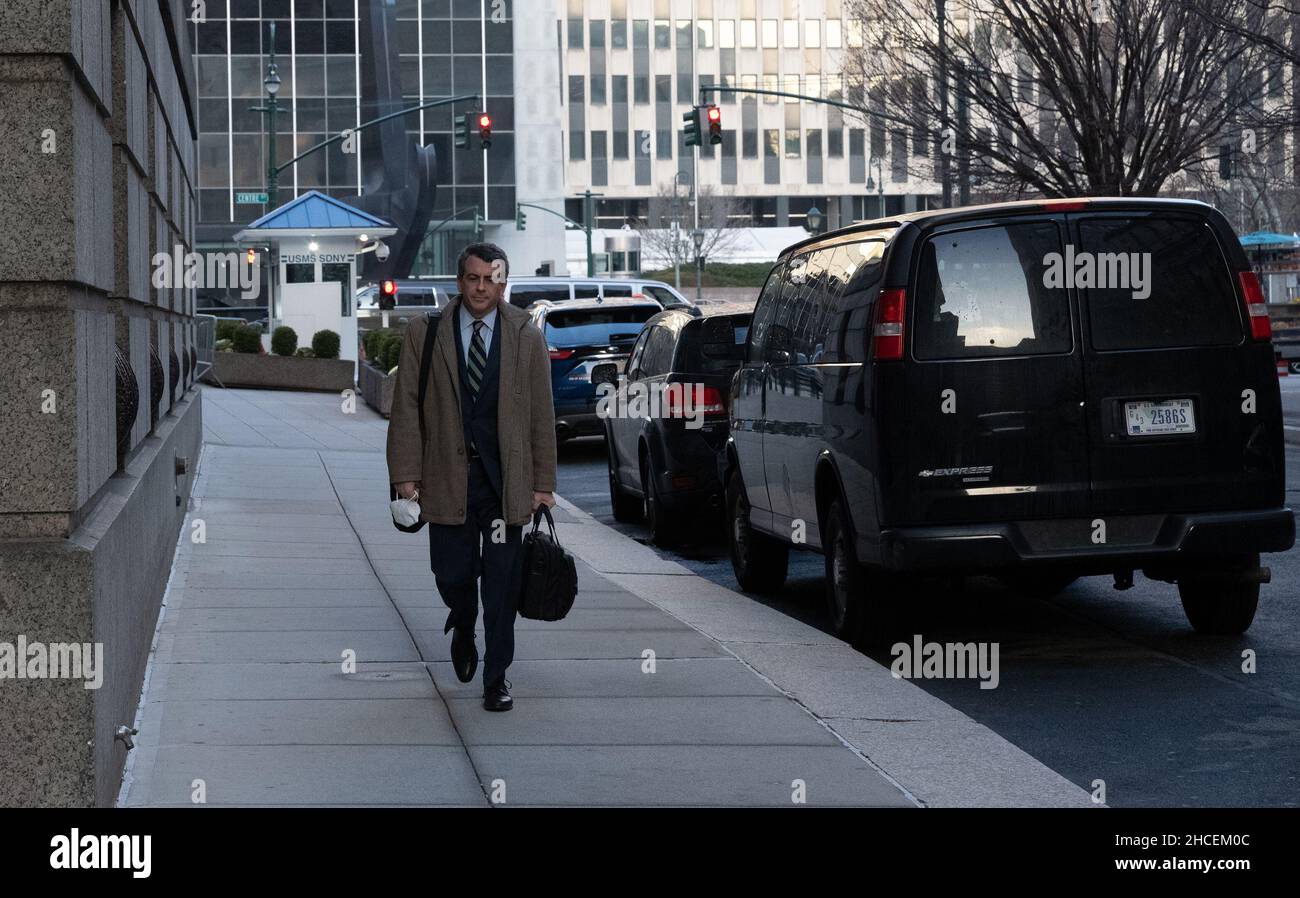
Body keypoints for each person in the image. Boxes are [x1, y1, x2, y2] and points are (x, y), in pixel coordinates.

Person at [386, 243, 557, 711]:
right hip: (446, 477)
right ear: (459, 281)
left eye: (491, 279)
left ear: (503, 284)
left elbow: (542, 413)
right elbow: (405, 408)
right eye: (473, 278)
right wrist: (405, 473)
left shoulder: (524, 333)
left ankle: (497, 677)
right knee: (452, 572)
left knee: (501, 586)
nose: (481, 287)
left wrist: (543, 484)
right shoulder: (427, 331)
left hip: (506, 485)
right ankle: (462, 620)